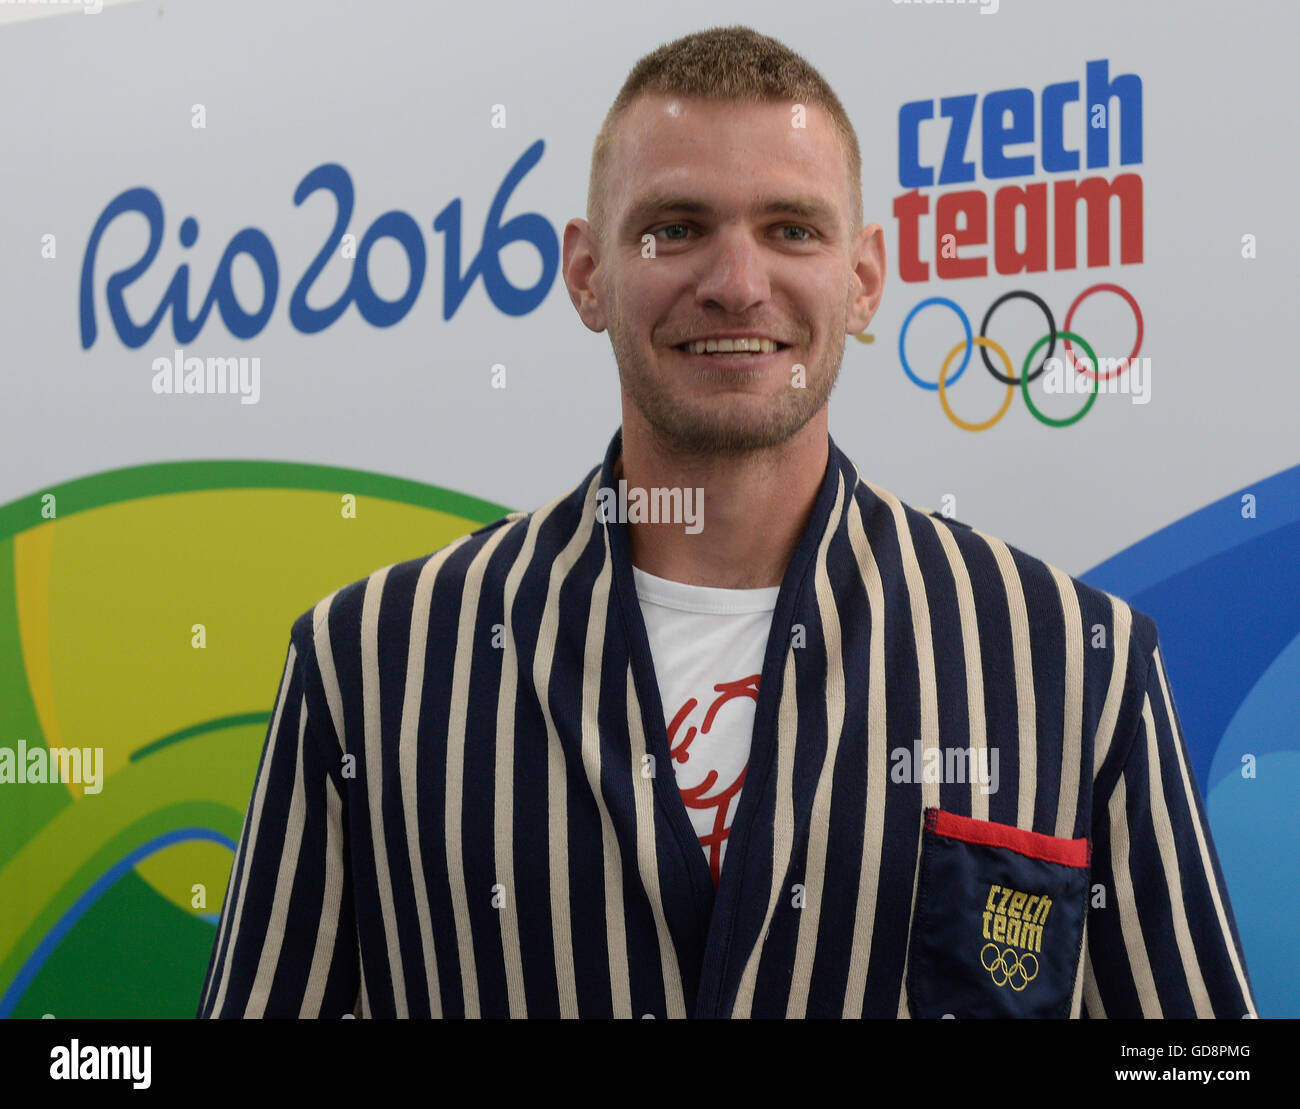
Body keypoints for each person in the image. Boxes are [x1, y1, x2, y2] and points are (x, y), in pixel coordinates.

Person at [197, 25, 1256, 1019]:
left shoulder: (1073, 663)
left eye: (790, 229)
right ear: (586, 272)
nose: (737, 284)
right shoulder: (371, 662)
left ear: (862, 280)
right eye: (677, 228)